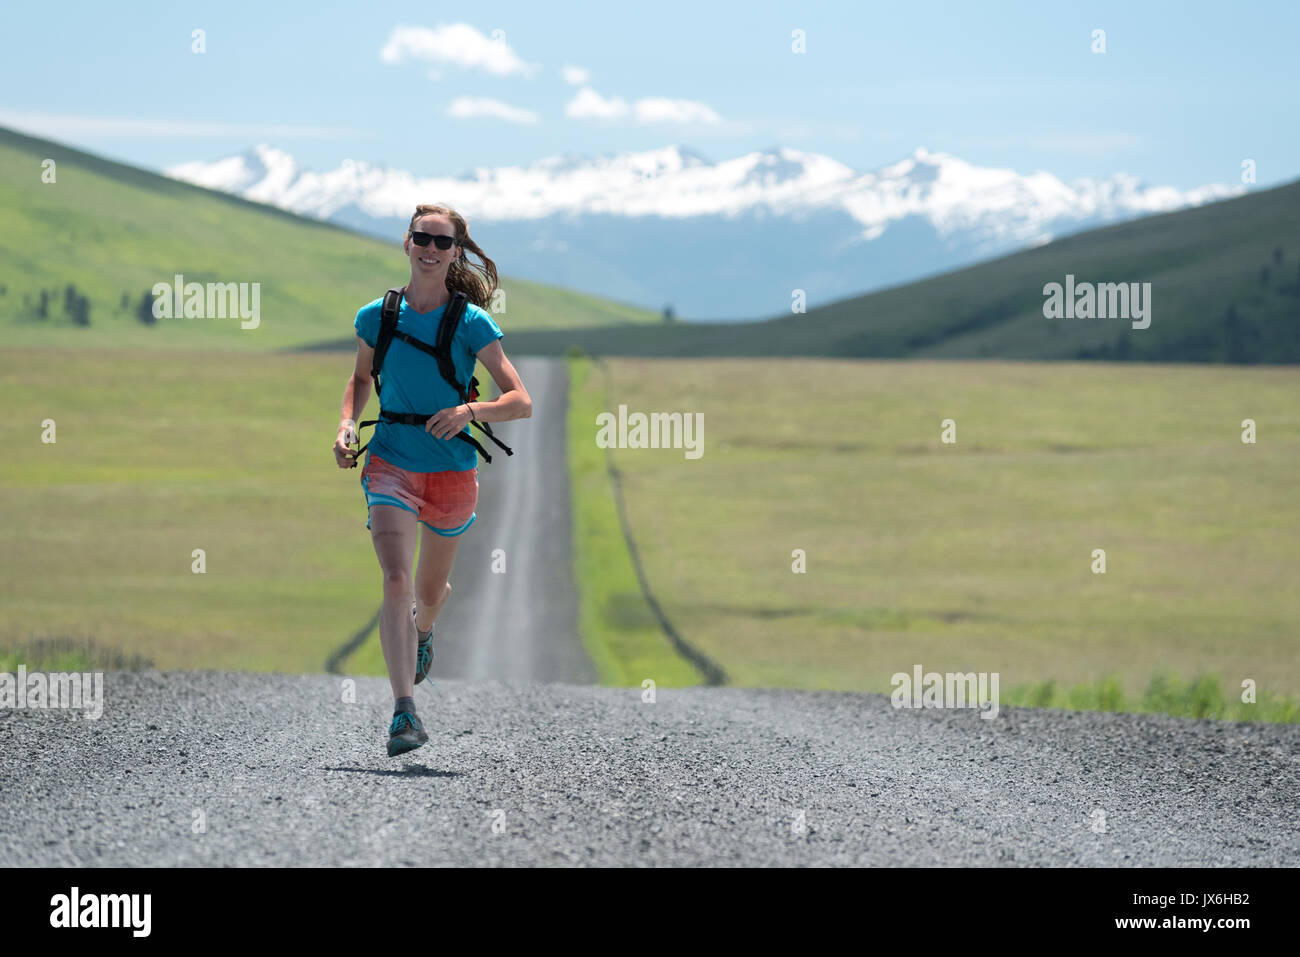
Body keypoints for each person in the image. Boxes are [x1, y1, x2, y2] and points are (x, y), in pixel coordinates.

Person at [333, 203, 531, 756]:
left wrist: (470, 413)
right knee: (395, 581)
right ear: (407, 243)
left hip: (451, 470)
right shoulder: (376, 316)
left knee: (428, 593)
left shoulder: (472, 323)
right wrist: (348, 426)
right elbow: (358, 378)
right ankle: (404, 713)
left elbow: (521, 401)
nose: (430, 249)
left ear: (455, 252)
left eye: (442, 243)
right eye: (422, 238)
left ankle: (424, 632)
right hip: (390, 460)